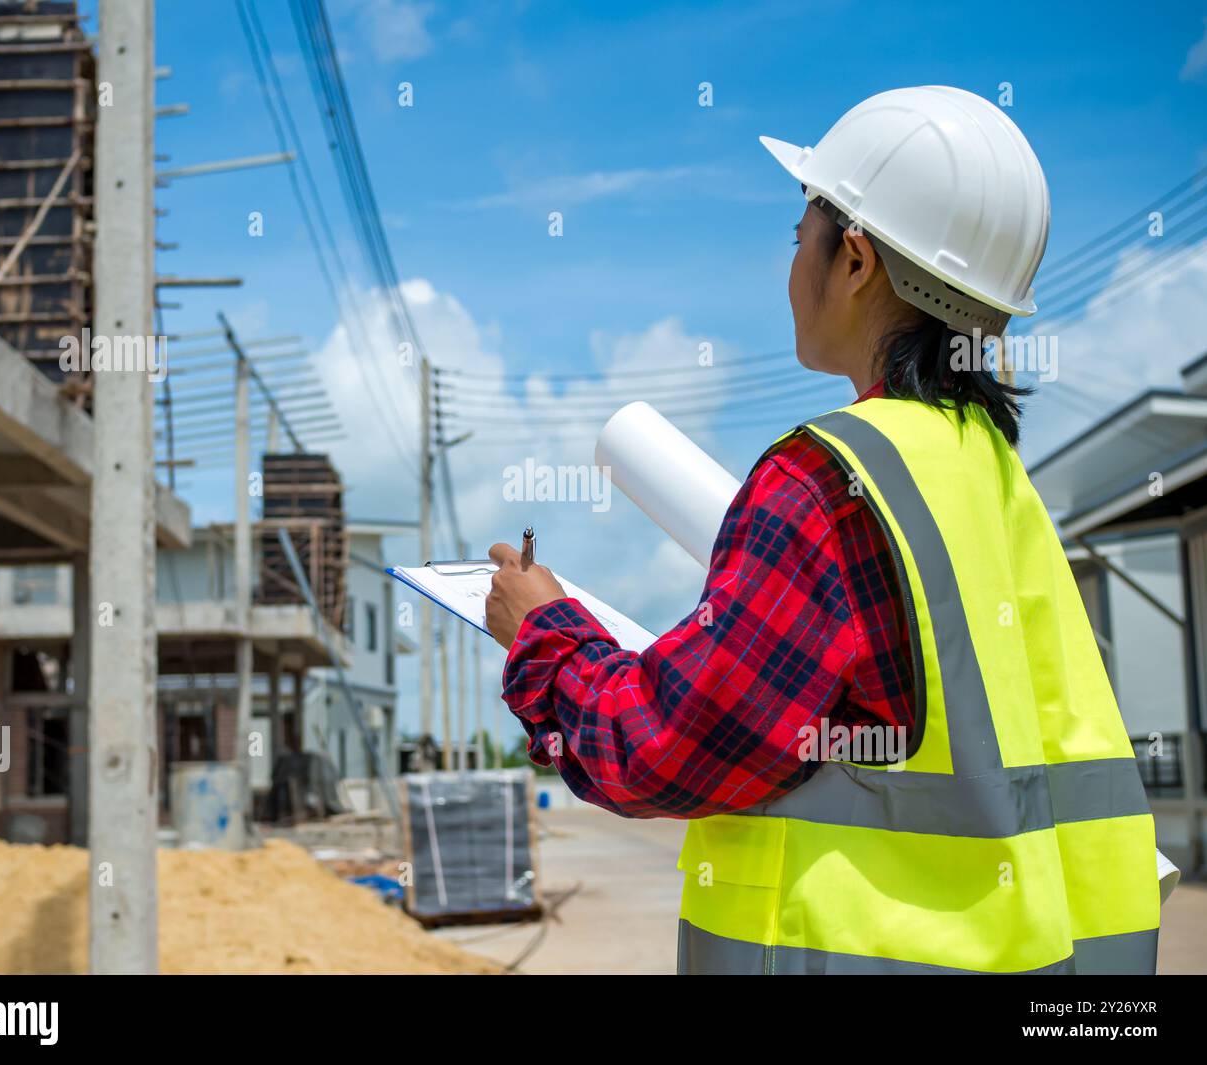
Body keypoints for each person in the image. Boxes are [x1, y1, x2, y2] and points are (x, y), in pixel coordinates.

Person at [484, 86, 1160, 975]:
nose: (789, 264)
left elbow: (669, 747)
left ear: (854, 258)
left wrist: (545, 637)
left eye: (797, 233)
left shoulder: (824, 479)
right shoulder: (992, 475)